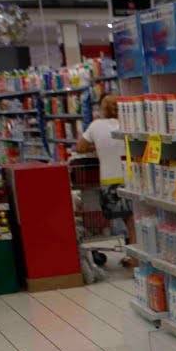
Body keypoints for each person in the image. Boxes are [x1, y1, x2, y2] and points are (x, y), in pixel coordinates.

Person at [75, 94, 134, 256]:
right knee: (133, 219)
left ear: (102, 109)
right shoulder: (129, 123)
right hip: (132, 176)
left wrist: (96, 148)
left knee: (128, 220)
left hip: (110, 179)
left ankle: (135, 258)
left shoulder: (95, 126)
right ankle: (134, 254)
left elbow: (80, 147)